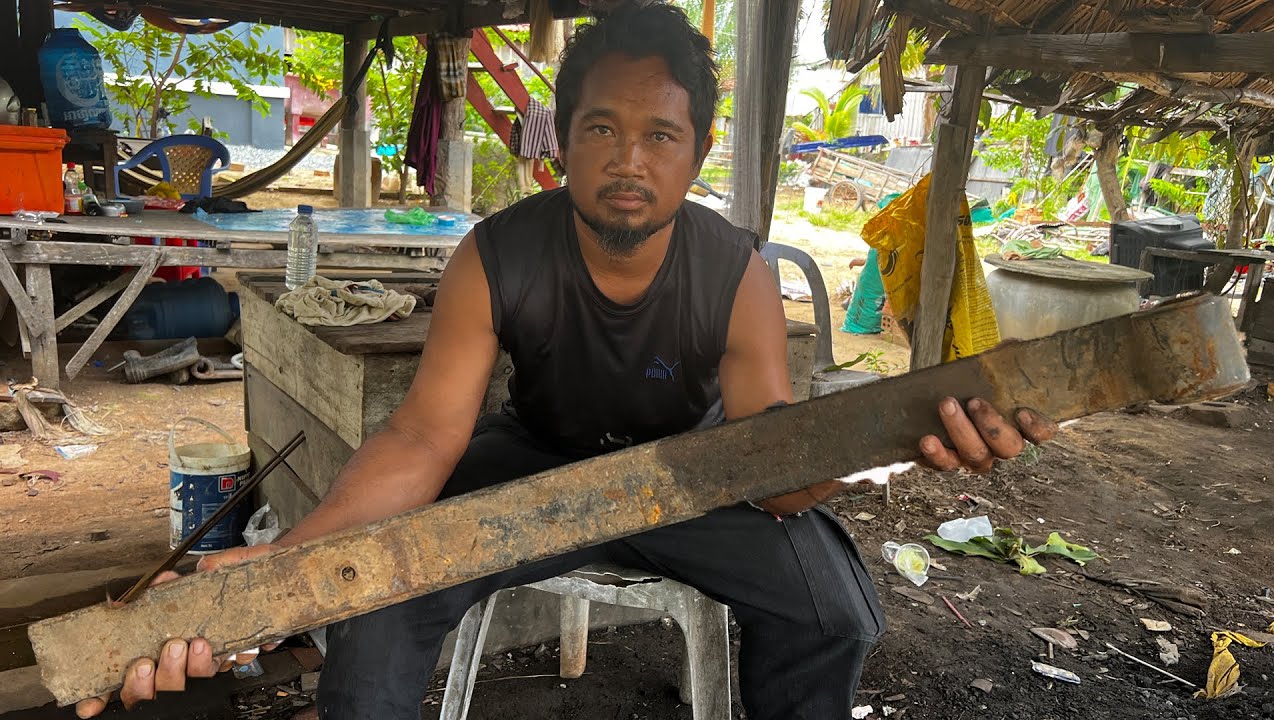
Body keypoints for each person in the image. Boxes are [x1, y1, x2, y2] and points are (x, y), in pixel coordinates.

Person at [77, 5, 1055, 719]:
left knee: (835, 611)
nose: (629, 160)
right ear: (564, 141)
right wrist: (285, 568)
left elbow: (774, 471)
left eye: (659, 136)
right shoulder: (496, 256)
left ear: (696, 149)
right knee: (371, 606)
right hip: (532, 458)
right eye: (602, 130)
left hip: (694, 473)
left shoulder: (735, 273)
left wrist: (900, 438)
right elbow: (423, 434)